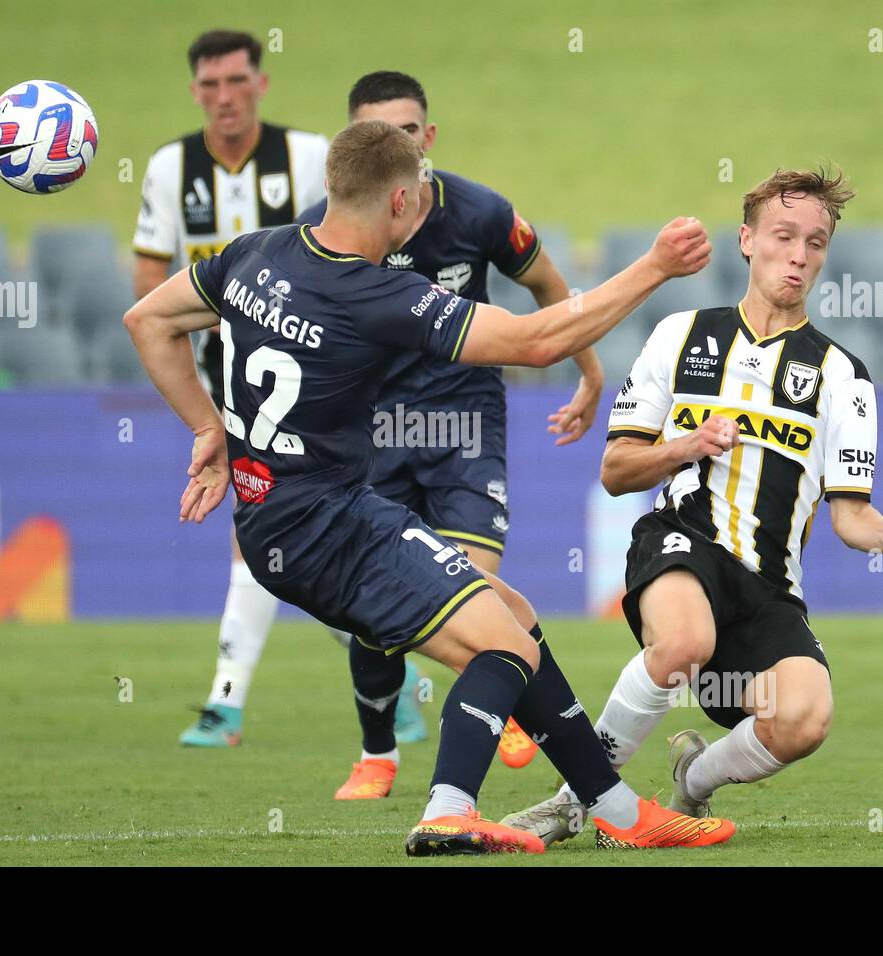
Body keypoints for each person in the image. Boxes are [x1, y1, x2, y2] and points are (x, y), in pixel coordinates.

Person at [125, 119, 735, 855]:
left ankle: (617, 809)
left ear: (330, 187)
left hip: (281, 518)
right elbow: (537, 341)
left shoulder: (259, 253)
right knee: (504, 652)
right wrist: (655, 267)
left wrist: (207, 429)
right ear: (401, 204)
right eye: (418, 199)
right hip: (327, 528)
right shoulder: (380, 295)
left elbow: (148, 318)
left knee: (513, 614)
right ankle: (447, 810)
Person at [501, 167, 883, 846]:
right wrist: (685, 445)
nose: (800, 255)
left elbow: (849, 518)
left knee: (806, 718)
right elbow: (615, 469)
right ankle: (575, 799)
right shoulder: (680, 335)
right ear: (747, 241)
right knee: (686, 642)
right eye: (784, 236)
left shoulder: (844, 378)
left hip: (768, 588)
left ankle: (693, 780)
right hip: (681, 543)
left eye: (815, 242)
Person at [290, 71, 603, 798]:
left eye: (408, 130)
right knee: (375, 617)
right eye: (378, 133)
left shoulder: (480, 212)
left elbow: (551, 288)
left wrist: (588, 374)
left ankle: (494, 674)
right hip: (373, 431)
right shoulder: (330, 229)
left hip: (465, 423)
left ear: (428, 137)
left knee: (474, 583)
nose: (397, 144)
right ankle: (378, 753)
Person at [130, 29, 329, 747]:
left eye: (236, 81)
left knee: (295, 531)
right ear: (195, 92)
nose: (224, 97)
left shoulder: (307, 159)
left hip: (310, 371)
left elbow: (340, 254)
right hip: (230, 384)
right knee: (273, 531)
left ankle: (233, 703)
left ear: (260, 84)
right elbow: (150, 286)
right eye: (210, 85)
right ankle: (231, 702)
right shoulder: (168, 168)